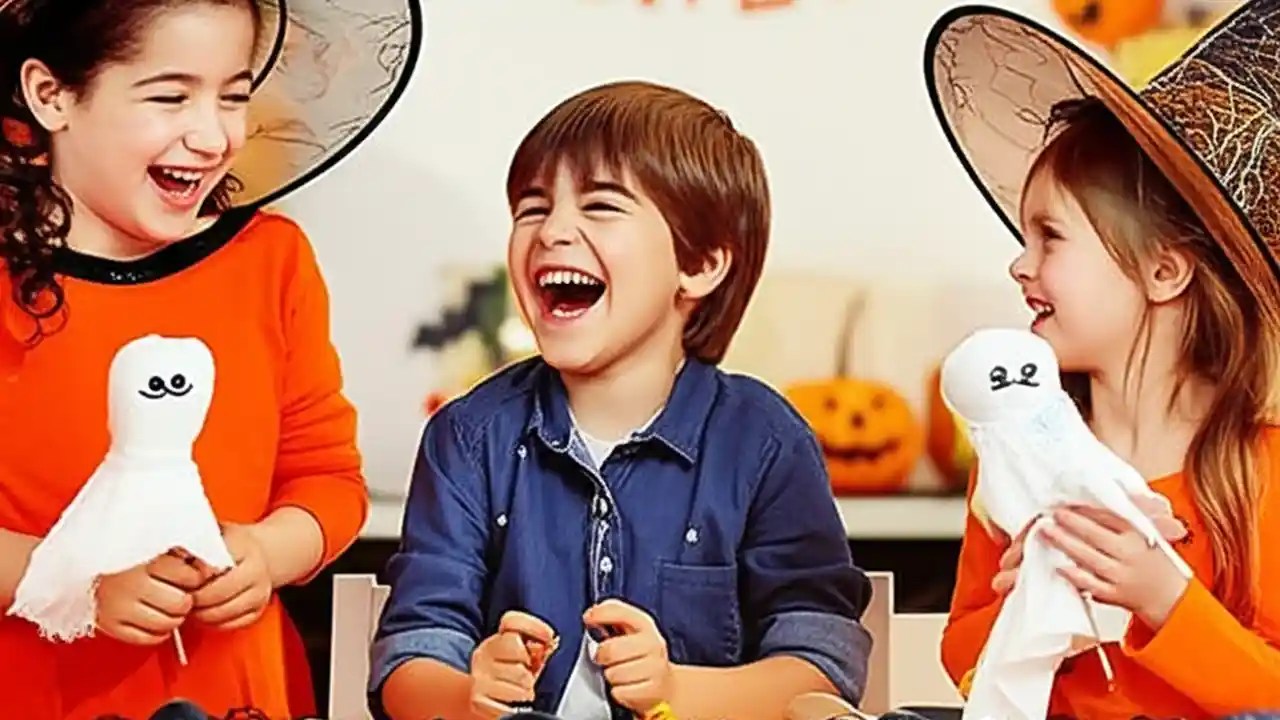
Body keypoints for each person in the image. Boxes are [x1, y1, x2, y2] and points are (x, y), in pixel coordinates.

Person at [370, 80, 873, 720]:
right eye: (532, 207)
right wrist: (467, 695)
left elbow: (821, 672)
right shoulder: (466, 439)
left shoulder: (765, 441)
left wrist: (680, 691)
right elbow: (409, 661)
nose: (553, 230)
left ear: (702, 263)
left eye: (600, 206)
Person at [0, 1, 421, 718]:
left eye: (234, 96)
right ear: (52, 95)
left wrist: (267, 551)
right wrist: (70, 582)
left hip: (239, 689)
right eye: (170, 96)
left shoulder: (271, 260)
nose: (213, 134)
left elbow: (327, 480)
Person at [923, 2, 1280, 718]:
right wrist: (1020, 610)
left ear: (1163, 273)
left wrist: (1165, 599)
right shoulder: (1013, 457)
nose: (1019, 265)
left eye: (1050, 237)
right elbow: (962, 656)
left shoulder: (1261, 469)